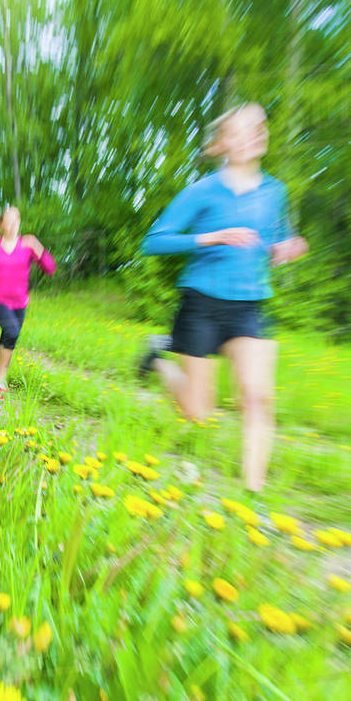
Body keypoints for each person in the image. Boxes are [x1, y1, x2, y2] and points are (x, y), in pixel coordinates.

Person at [137, 102, 308, 497]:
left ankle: (253, 494)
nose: (254, 133)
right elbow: (153, 241)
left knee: (257, 397)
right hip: (201, 305)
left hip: (249, 307)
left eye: (259, 127)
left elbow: (273, 240)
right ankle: (157, 359)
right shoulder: (201, 192)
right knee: (199, 413)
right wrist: (211, 236)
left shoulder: (275, 192)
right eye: (241, 129)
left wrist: (285, 248)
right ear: (219, 145)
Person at [0, 206, 56, 399]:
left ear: (19, 223)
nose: (11, 225)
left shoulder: (27, 246)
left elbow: (50, 268)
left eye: (15, 221)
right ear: (0, 225)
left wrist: (37, 246)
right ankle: (0, 379)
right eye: (7, 222)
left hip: (20, 304)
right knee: (12, 331)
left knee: (9, 336)